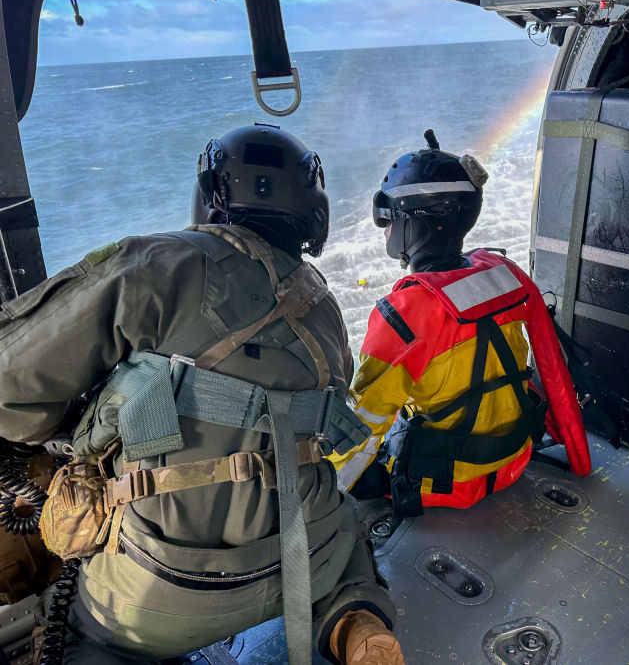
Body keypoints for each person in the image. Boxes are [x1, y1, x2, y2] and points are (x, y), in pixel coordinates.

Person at [0, 124, 402, 664]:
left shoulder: (154, 263)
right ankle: (353, 615)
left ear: (211, 197)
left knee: (64, 630)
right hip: (305, 559)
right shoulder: (326, 311)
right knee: (342, 522)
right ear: (313, 213)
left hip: (163, 587)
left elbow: (12, 389)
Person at [329, 130, 591, 519]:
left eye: (390, 219)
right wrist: (578, 456)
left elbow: (363, 424)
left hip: (446, 486)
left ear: (411, 224)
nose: (386, 230)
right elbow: (554, 375)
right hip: (513, 462)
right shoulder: (507, 275)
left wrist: (338, 481)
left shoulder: (405, 311)